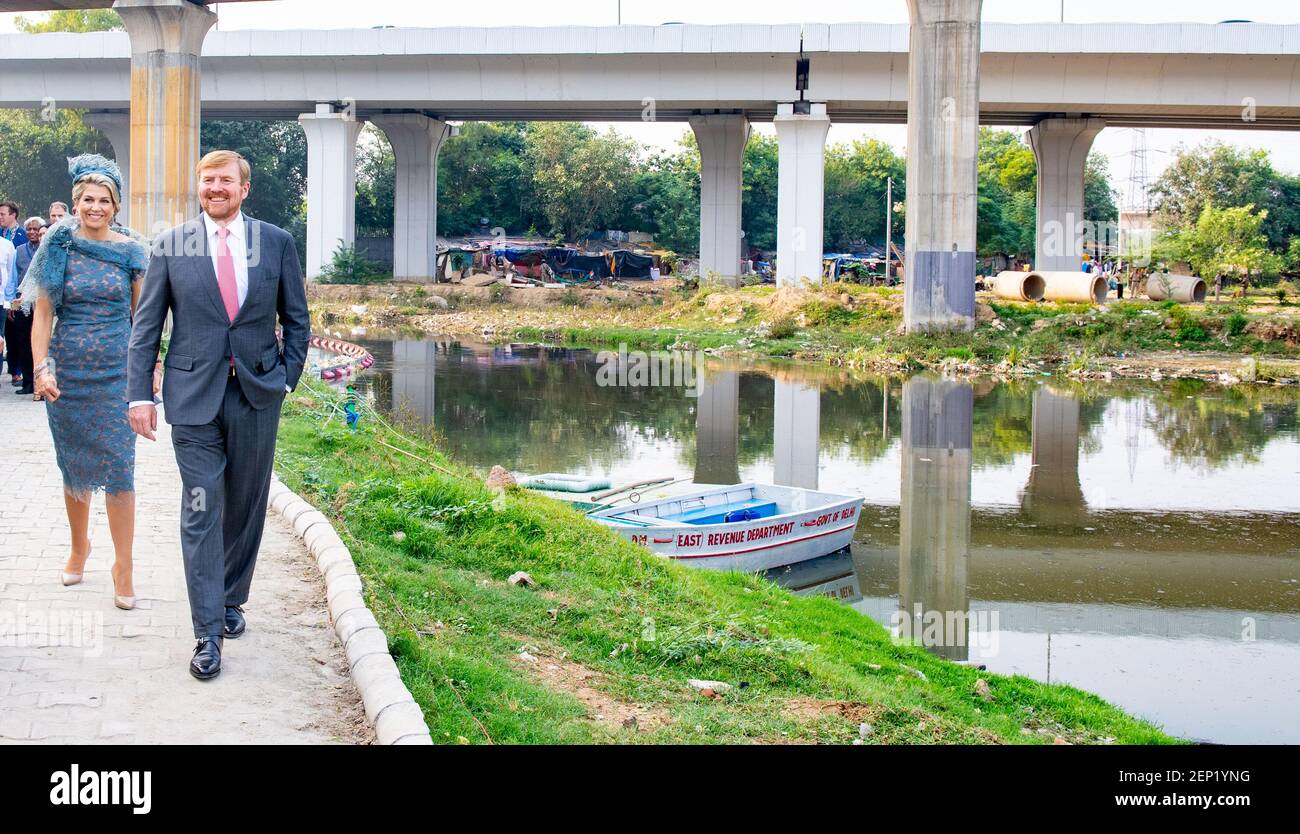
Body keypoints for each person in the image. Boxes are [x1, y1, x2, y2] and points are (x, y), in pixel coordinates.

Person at [127, 150, 310, 681]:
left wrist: (285, 380)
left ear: (243, 189)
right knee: (202, 506)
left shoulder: (275, 243)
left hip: (256, 395)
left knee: (246, 503)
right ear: (199, 188)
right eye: (207, 181)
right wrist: (140, 395)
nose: (215, 189)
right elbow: (146, 328)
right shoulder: (171, 244)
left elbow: (296, 320)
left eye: (225, 181)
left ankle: (232, 596)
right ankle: (206, 632)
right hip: (192, 399)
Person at [20, 155, 149, 613]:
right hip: (69, 375)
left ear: (116, 205)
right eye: (87, 200)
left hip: (117, 374)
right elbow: (44, 314)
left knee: (119, 468)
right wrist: (41, 367)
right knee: (73, 467)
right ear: (76, 203)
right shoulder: (59, 245)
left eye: (104, 200)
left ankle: (125, 566)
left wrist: (147, 377)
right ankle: (79, 548)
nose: (95, 207)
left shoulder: (134, 251)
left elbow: (145, 321)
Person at [5, 217, 45, 397]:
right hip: (22, 303)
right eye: (28, 229)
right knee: (23, 342)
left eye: (35, 229)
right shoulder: (19, 251)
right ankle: (28, 382)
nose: (32, 232)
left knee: (40, 340)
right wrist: (11, 301)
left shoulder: (47, 249)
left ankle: (40, 382)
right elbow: (13, 278)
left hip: (42, 302)